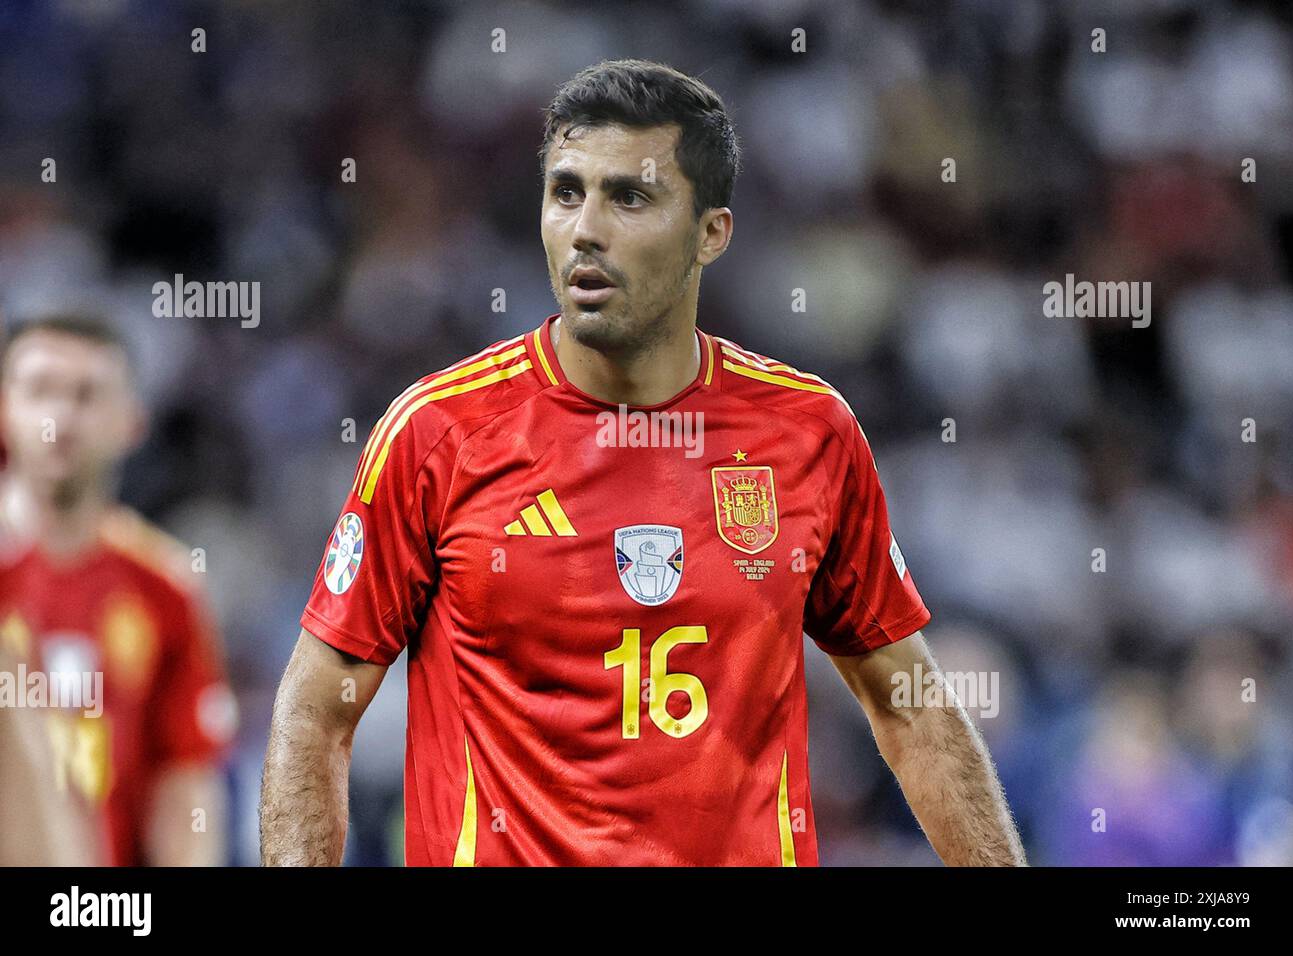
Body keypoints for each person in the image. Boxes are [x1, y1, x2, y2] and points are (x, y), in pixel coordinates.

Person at [262, 59, 1025, 866]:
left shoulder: (808, 434)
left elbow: (910, 707)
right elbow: (316, 714)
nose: (586, 228)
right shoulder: (440, 433)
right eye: (566, 193)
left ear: (711, 233)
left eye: (630, 196)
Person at [0, 314, 236, 866]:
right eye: (40, 390)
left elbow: (185, 789)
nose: (60, 417)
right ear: (4, 409)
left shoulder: (165, 588)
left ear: (132, 421)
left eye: (86, 396)